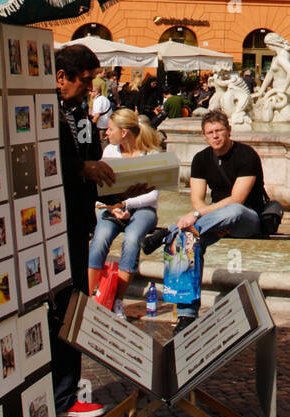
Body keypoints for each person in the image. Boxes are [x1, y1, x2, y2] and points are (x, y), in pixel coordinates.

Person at [52, 44, 117, 417]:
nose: (91, 88)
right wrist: (80, 169)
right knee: (62, 309)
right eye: (86, 80)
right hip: (53, 227)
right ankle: (62, 397)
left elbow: (91, 163)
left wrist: (120, 189)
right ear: (62, 78)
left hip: (77, 224)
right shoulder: (45, 111)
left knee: (73, 306)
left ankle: (65, 393)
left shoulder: (78, 113)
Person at [172, 111, 268, 332]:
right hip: (216, 221)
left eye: (219, 131)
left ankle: (168, 231)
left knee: (233, 210)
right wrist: (213, 220)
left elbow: (237, 199)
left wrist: (198, 216)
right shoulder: (201, 159)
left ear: (229, 130)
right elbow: (196, 199)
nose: (215, 136)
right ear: (204, 136)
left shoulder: (247, 155)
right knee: (188, 241)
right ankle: (186, 315)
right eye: (210, 133)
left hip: (247, 218)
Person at [87, 109, 162, 317]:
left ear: (124, 132)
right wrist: (113, 207)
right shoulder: (110, 152)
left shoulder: (151, 154)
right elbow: (101, 190)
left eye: (110, 129)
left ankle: (118, 301)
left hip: (143, 209)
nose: (106, 132)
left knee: (132, 239)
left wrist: (126, 204)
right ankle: (87, 297)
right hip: (113, 207)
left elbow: (153, 195)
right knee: (100, 238)